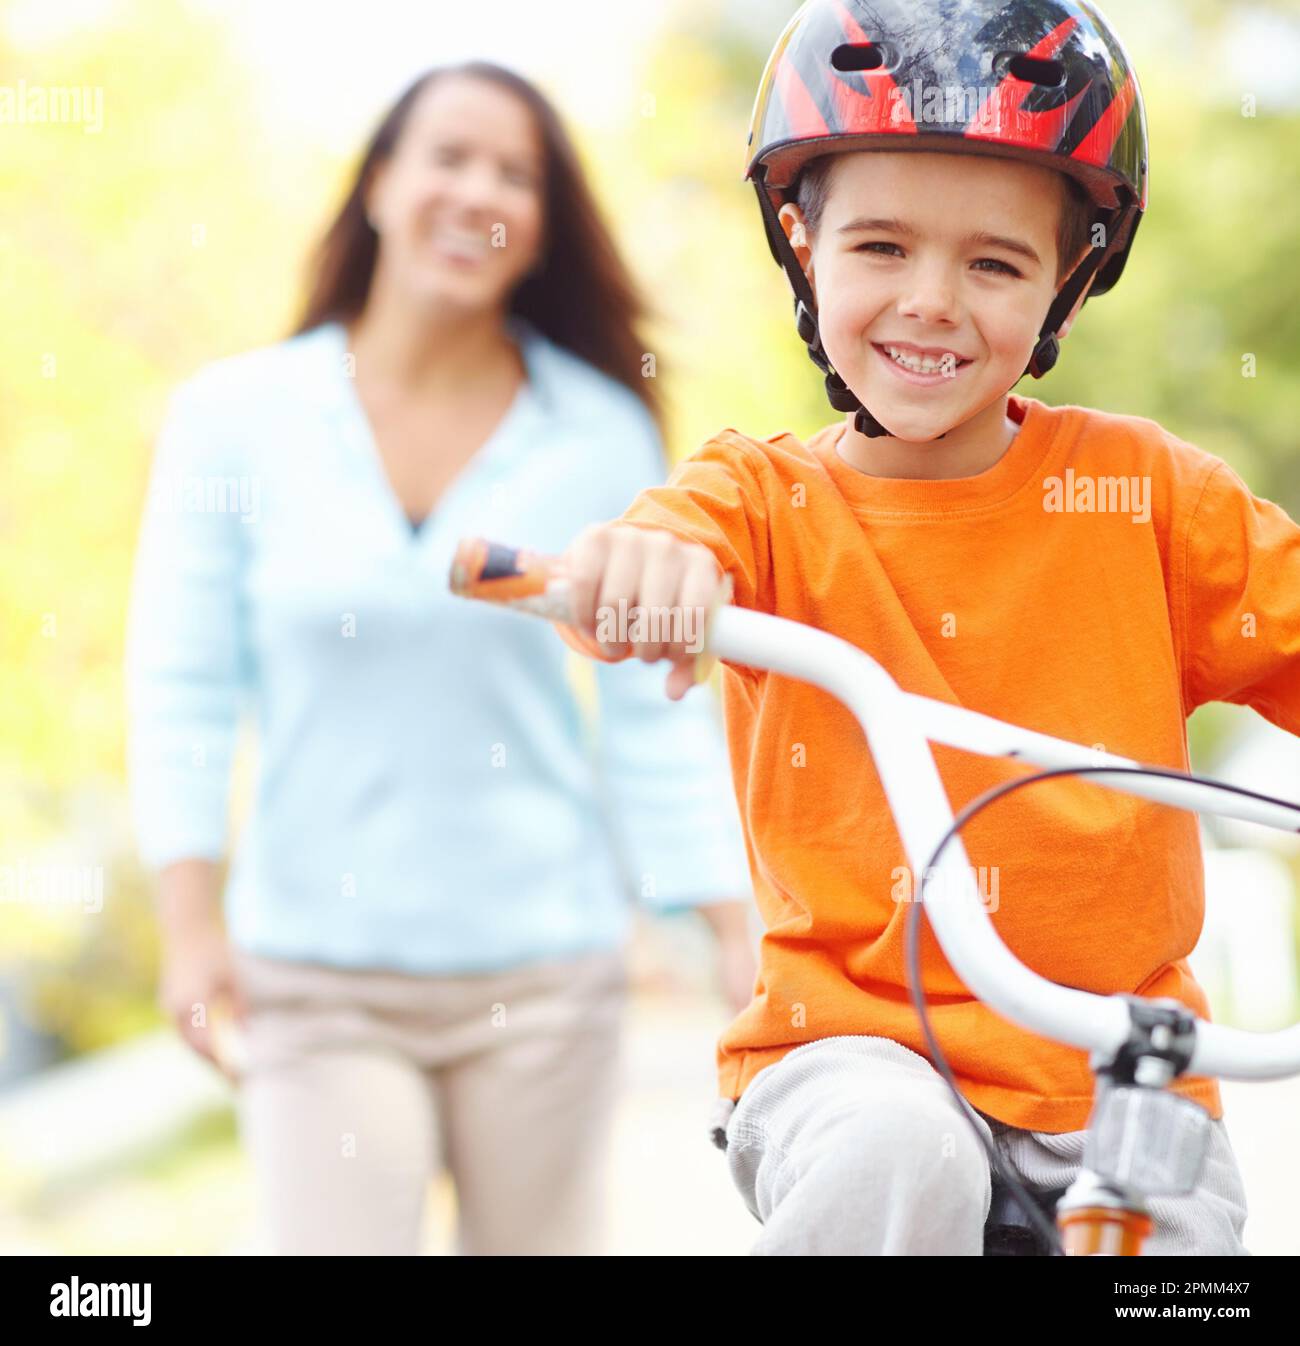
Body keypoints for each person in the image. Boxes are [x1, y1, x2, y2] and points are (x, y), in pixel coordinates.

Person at [549, 0, 1298, 1254]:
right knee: (896, 1153)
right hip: (848, 1054)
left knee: (1176, 1237)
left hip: (1117, 1067)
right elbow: (657, 554)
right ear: (802, 243)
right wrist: (643, 569)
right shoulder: (759, 499)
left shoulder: (1149, 497)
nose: (932, 303)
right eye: (881, 247)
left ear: (1068, 276)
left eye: (995, 264)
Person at [125, 60, 754, 1257]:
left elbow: (652, 711)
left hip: (543, 976)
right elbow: (181, 681)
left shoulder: (597, 429)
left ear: (541, 228)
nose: (478, 192)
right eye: (448, 157)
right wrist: (189, 922)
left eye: (514, 173)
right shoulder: (234, 419)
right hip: (316, 976)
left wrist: (729, 922)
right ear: (377, 185)